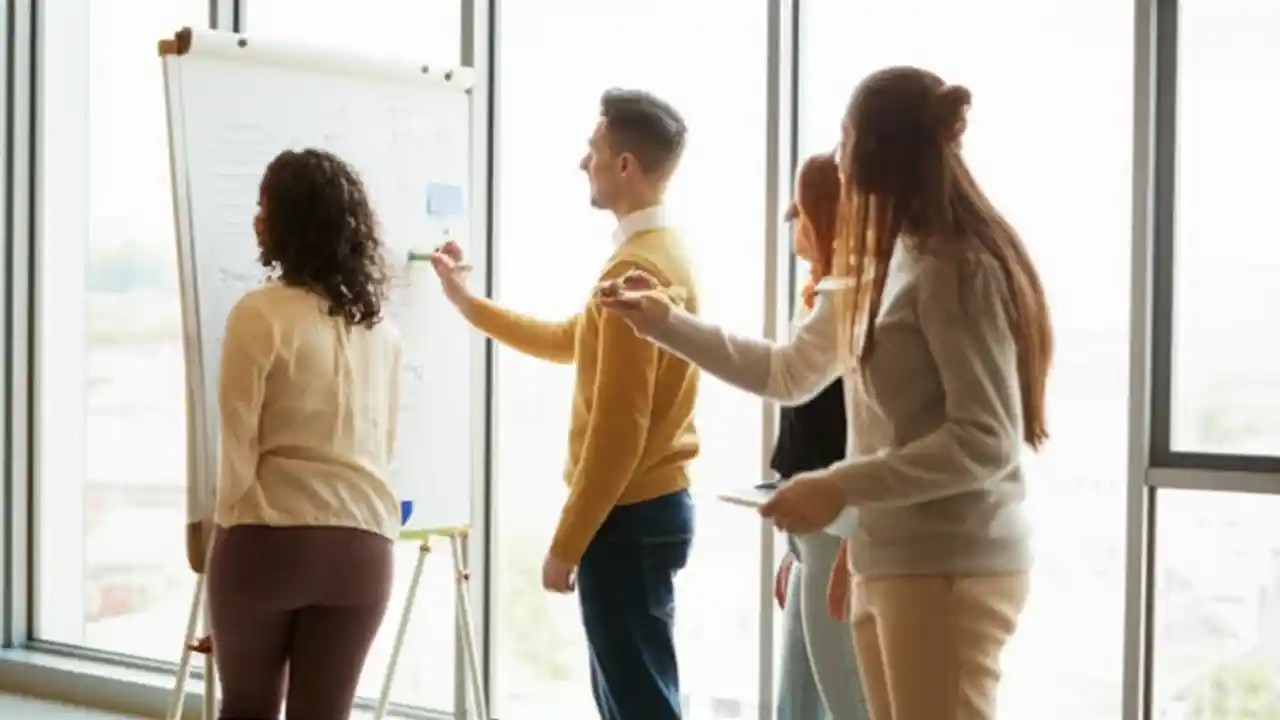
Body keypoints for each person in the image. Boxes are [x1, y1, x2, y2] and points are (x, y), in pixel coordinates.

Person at [598, 66, 1053, 720]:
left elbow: (984, 442)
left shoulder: (957, 267)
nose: (836, 160)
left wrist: (839, 488)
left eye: (844, 140)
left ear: (873, 151)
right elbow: (790, 374)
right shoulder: (892, 266)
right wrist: (665, 322)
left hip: (950, 564)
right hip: (892, 559)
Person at [430, 88, 699, 720]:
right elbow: (568, 339)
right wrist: (468, 305)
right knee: (639, 693)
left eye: (594, 149)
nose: (585, 162)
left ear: (625, 165)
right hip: (652, 506)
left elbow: (618, 432)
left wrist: (567, 543)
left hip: (626, 517)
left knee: (637, 704)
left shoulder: (637, 269)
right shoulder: (661, 254)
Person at [207, 148, 403, 720]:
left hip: (268, 540)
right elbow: (384, 446)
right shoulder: (384, 333)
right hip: (365, 550)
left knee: (247, 708)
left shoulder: (259, 313)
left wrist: (225, 529)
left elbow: (237, 440)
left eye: (264, 205)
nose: (256, 219)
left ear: (288, 221)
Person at [771, 153, 868, 720]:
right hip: (813, 535)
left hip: (838, 532)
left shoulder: (853, 308)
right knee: (799, 704)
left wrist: (845, 545)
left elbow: (866, 441)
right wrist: (794, 552)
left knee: (845, 702)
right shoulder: (819, 299)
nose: (792, 225)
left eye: (801, 212)